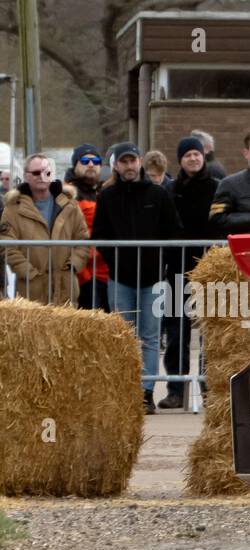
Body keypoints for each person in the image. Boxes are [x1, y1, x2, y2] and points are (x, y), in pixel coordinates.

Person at [92, 142, 182, 413]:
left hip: (153, 279)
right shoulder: (107, 196)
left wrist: (160, 260)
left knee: (150, 337)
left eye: (133, 161)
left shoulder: (158, 194)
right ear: (116, 165)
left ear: (140, 161)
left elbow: (173, 231)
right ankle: (125, 391)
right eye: (124, 161)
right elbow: (99, 235)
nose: (129, 166)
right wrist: (115, 259)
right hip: (120, 279)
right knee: (123, 336)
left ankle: (146, 393)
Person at [159, 136, 219, 410]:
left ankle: (209, 387)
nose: (193, 159)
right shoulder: (170, 189)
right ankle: (176, 389)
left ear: (203, 156)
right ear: (180, 160)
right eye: (187, 155)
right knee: (176, 331)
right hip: (177, 269)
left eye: (196, 154)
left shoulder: (217, 187)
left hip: (210, 269)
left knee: (210, 331)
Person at [0, 153, 89, 306]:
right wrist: (27, 271)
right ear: (26, 176)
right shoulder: (13, 208)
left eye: (46, 172)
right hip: (30, 291)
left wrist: (72, 265)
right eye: (36, 173)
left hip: (65, 289)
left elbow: (83, 241)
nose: (42, 176)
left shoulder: (71, 206)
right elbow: (6, 245)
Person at [64, 143, 111, 310]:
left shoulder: (104, 192)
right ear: (75, 165)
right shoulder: (66, 195)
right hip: (83, 274)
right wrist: (82, 273)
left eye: (96, 161)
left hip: (107, 273)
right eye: (85, 161)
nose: (91, 164)